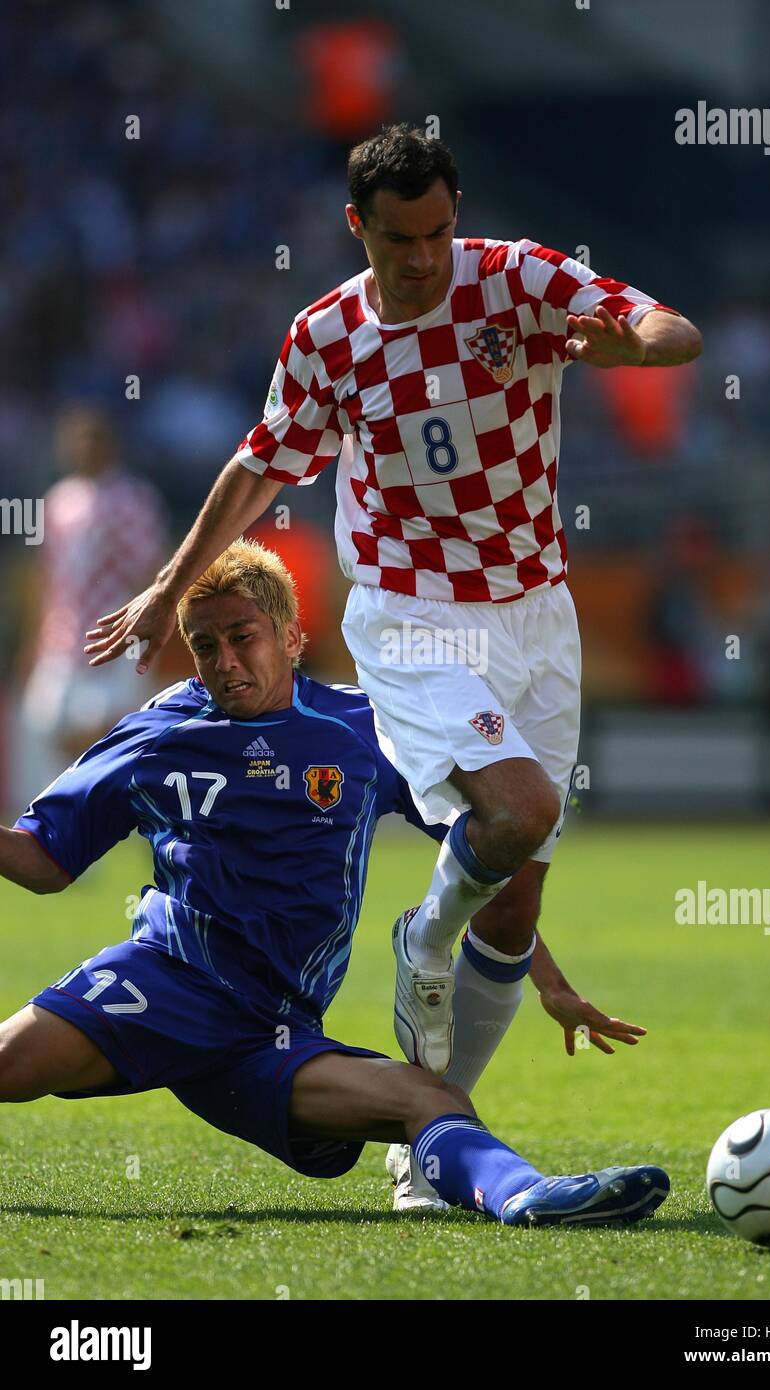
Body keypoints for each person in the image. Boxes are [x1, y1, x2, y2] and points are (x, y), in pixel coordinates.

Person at [83, 123, 699, 1204]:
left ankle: (430, 1149)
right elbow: (257, 467)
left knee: (512, 904)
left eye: (439, 232)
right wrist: (170, 587)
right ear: (355, 226)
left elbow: (670, 328)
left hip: (533, 611)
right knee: (511, 812)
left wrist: (630, 344)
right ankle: (425, 929)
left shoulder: (514, 279)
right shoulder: (325, 336)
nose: (423, 258)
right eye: (399, 239)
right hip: (411, 612)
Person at [0, 542, 670, 1229]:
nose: (225, 662)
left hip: (272, 1033)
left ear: (292, 638)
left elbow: (475, 865)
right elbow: (43, 860)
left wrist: (548, 980)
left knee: (429, 1101)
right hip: (165, 984)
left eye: (242, 637)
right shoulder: (160, 732)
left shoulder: (366, 729)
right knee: (7, 1064)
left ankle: (525, 1197)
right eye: (204, 645)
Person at [18, 403, 167, 796]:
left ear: (109, 445)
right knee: (42, 724)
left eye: (90, 439)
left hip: (114, 634)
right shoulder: (58, 501)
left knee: (109, 730)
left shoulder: (133, 498)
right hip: (63, 639)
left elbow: (150, 569)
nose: (81, 448)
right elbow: (49, 578)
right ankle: (55, 829)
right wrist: (34, 639)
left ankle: (114, 814)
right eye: (75, 440)